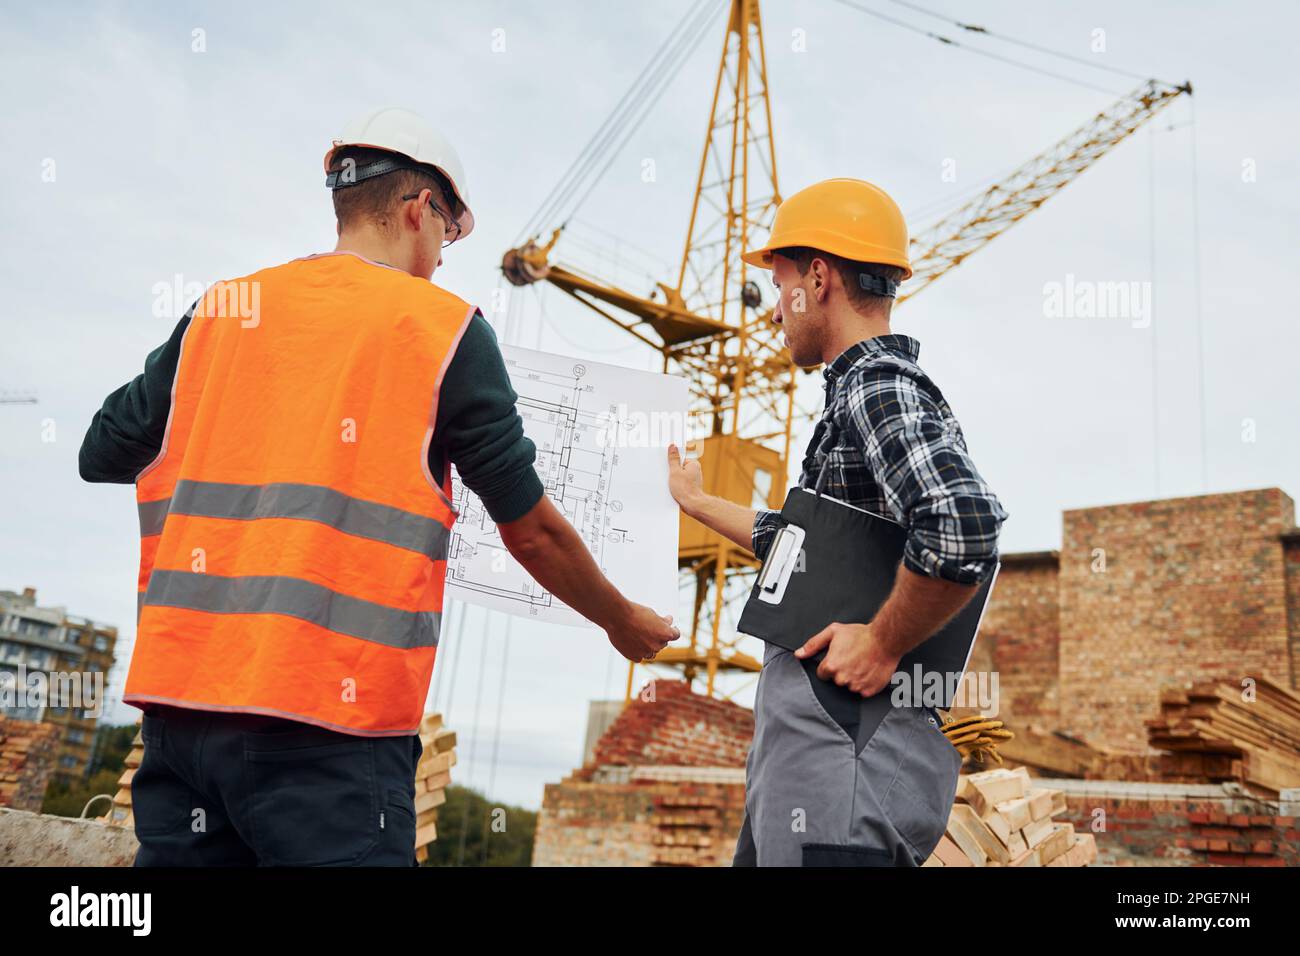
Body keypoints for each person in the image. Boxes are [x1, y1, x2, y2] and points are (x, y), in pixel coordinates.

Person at [79, 107, 678, 866]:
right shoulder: (442, 329)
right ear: (418, 208)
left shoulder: (223, 310)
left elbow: (104, 449)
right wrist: (619, 619)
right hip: (331, 727)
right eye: (450, 234)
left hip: (183, 715)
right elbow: (528, 527)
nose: (444, 257)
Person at [665, 178, 1007, 866]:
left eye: (781, 281)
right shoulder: (859, 393)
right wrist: (698, 503)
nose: (773, 311)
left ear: (818, 278)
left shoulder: (878, 386)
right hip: (822, 760)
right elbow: (809, 552)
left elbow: (964, 524)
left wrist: (882, 642)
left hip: (846, 763)